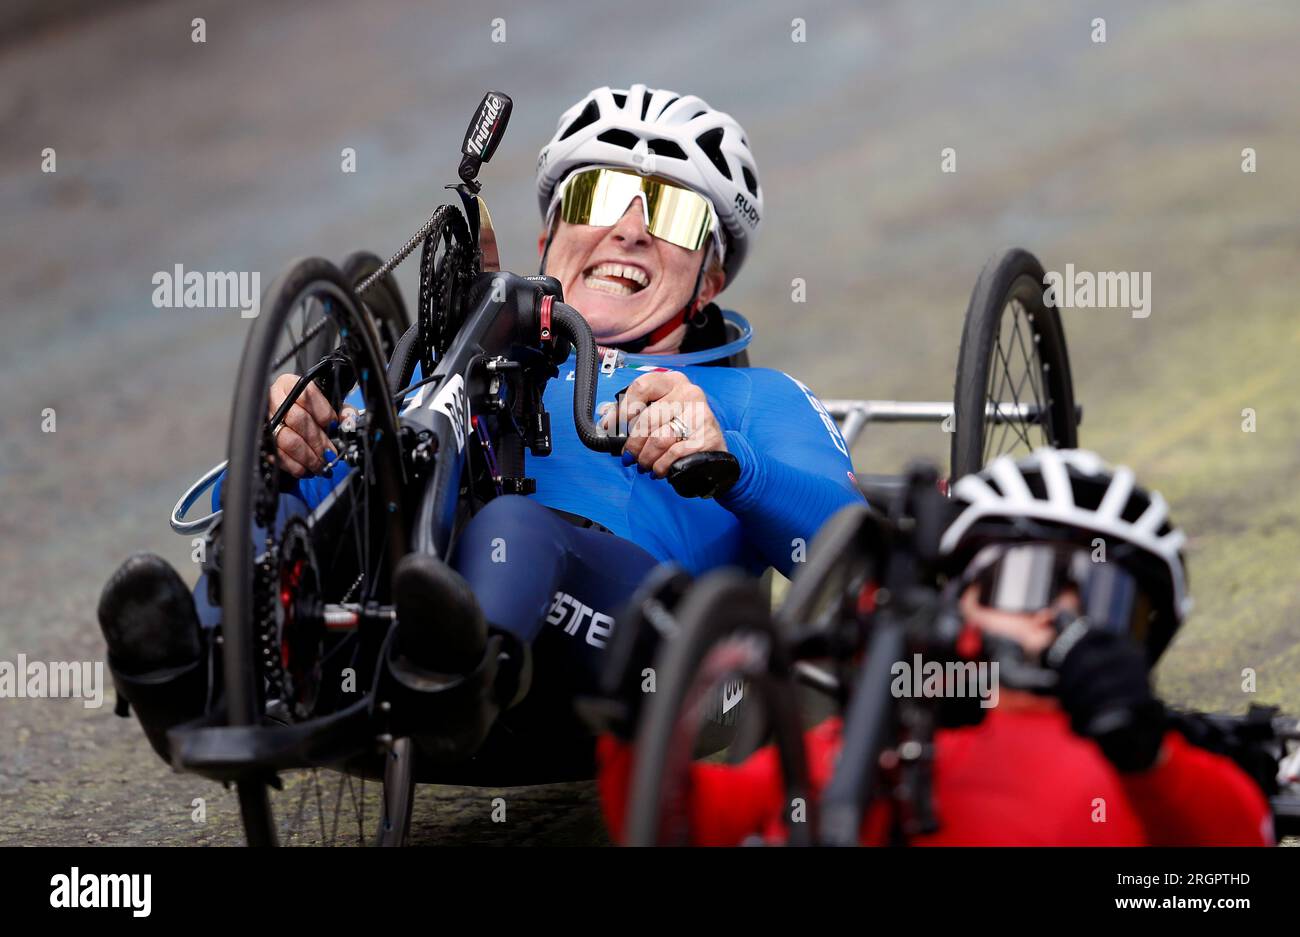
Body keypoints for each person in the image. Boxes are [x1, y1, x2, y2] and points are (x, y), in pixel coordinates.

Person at [98, 84, 863, 771]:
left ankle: (451, 684)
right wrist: (282, 444)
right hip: (415, 607)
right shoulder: (446, 363)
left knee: (515, 527)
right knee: (306, 494)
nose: (628, 229)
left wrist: (732, 461)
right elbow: (280, 489)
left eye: (671, 211)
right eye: (599, 194)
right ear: (547, 240)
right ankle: (182, 675)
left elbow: (859, 554)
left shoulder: (754, 399)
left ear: (712, 277)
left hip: (643, 655)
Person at [596, 449, 1276, 845]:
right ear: (957, 598)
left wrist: (1146, 753)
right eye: (1025, 581)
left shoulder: (1158, 782)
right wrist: (634, 720)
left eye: (1107, 604)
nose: (1057, 618)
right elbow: (680, 819)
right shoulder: (867, 750)